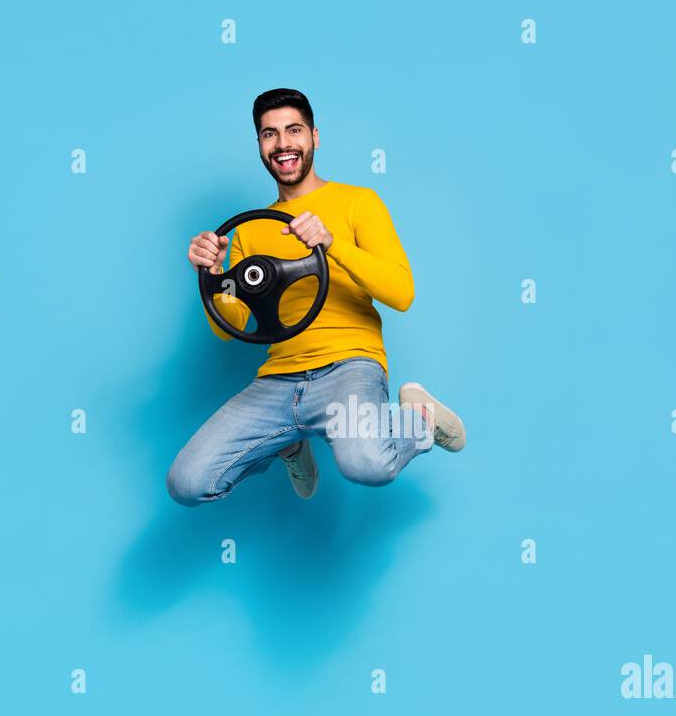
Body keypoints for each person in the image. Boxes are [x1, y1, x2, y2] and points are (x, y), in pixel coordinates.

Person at [167, 88, 465, 505]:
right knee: (186, 482)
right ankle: (288, 445)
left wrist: (332, 244)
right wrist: (215, 275)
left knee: (368, 465)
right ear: (259, 145)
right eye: (269, 134)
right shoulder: (250, 230)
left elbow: (401, 293)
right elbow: (228, 328)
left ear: (314, 137)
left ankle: (419, 419)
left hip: (348, 370)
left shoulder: (359, 202)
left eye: (293, 130)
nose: (283, 143)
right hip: (277, 381)